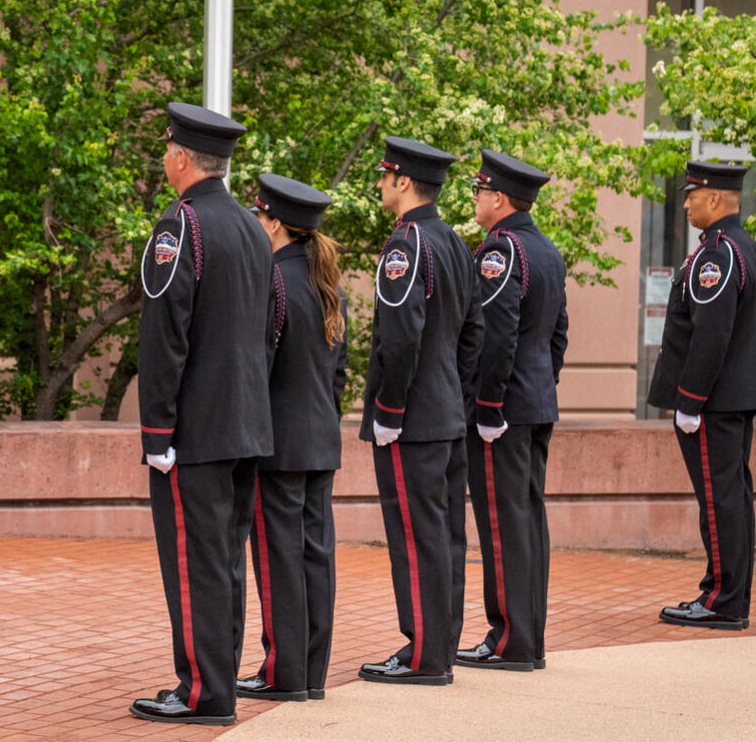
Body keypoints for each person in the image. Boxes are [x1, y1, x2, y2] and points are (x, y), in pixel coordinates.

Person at [128, 103, 274, 727]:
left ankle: (202, 694)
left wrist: (157, 428)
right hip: (245, 422)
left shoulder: (180, 227)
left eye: (168, 151)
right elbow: (269, 329)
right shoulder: (249, 226)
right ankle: (218, 684)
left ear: (183, 158)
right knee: (224, 563)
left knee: (194, 563)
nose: (165, 160)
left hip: (196, 430)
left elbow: (165, 337)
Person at [357, 137, 484, 686]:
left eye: (386, 176)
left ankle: (424, 656)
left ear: (404, 181)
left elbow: (400, 336)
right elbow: (474, 332)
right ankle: (441, 645)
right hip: (446, 411)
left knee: (417, 537)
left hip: (413, 419)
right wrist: (453, 390)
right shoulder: (453, 241)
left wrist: (389, 407)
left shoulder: (408, 244)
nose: (381, 184)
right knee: (444, 536)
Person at [236, 174, 347, 703]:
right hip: (320, 438)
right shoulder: (326, 282)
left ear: (276, 223)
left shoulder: (273, 280)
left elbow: (259, 366)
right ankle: (310, 672)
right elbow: (338, 370)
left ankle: (284, 674)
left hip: (278, 443)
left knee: (280, 560)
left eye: (260, 216)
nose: (257, 225)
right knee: (313, 557)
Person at [456, 149, 567, 672]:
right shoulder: (545, 250)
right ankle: (528, 636)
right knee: (526, 522)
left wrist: (490, 403)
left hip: (504, 409)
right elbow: (558, 334)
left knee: (502, 524)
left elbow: (495, 335)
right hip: (535, 400)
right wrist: (541, 385)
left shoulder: (501, 251)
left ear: (497, 198)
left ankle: (510, 641)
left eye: (479, 192)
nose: (475, 199)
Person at [649, 160, 756, 631]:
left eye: (691, 195)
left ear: (714, 199)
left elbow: (711, 334)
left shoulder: (718, 254)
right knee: (732, 498)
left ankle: (722, 600)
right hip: (733, 396)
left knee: (720, 502)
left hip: (713, 402)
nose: (685, 204)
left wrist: (689, 401)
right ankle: (730, 595)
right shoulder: (744, 246)